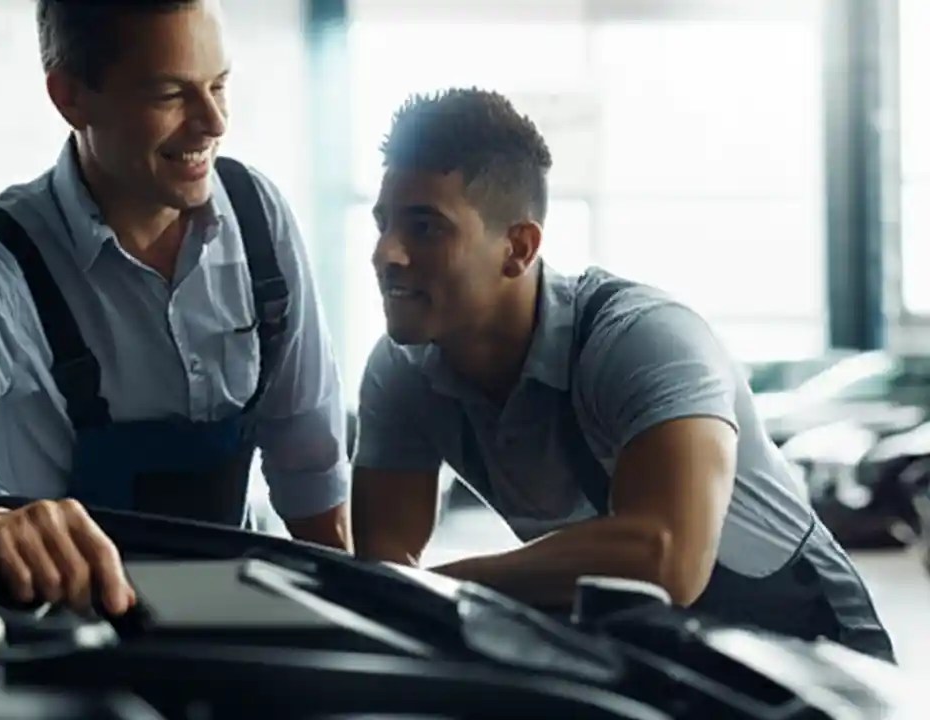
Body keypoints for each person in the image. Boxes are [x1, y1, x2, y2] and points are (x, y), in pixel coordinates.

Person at [0, 0, 351, 616]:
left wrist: (360, 621)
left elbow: (310, 464)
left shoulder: (257, 217)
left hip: (234, 610)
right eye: (170, 94)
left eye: (219, 85)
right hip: (72, 626)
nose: (213, 122)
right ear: (71, 98)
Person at [350, 88, 895, 662]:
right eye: (383, 224)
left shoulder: (642, 337)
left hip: (816, 648)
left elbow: (666, 558)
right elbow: (385, 574)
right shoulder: (401, 371)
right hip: (659, 652)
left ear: (518, 247)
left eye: (425, 228)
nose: (387, 254)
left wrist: (444, 588)